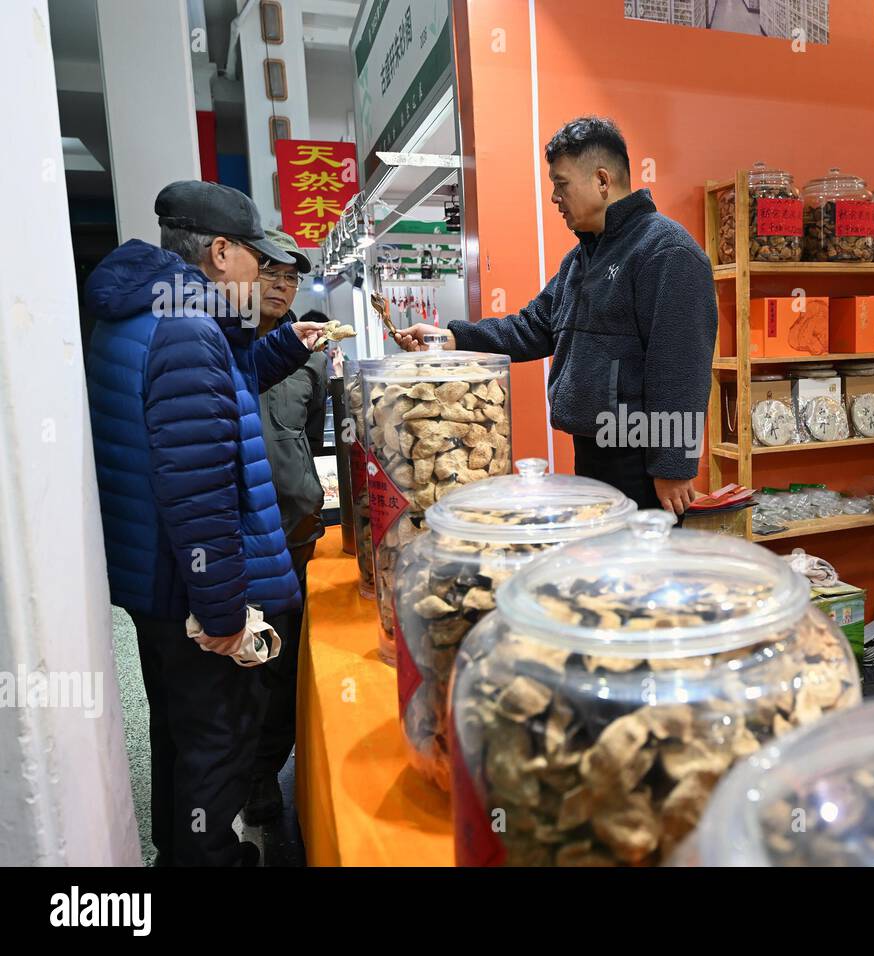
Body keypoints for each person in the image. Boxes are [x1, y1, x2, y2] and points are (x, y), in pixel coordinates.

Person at [84, 181, 326, 866]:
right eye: (258, 258)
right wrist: (222, 613)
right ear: (222, 252)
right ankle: (205, 857)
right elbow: (198, 488)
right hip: (191, 588)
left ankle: (181, 849)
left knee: (181, 732)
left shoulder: (148, 311)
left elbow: (208, 399)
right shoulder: (188, 328)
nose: (265, 275)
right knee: (217, 744)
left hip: (155, 583)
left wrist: (284, 348)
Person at [394, 116, 717, 514]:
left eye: (561, 184)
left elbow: (682, 367)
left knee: (638, 572)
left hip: (641, 461)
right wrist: (450, 338)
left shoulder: (666, 252)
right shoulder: (580, 261)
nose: (554, 198)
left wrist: (673, 466)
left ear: (602, 181)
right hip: (592, 450)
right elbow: (533, 327)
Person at [242, 232, 329, 826]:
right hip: (243, 545)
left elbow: (315, 433)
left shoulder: (309, 357)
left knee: (289, 661)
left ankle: (269, 772)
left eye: (292, 279)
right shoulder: (218, 348)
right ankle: (247, 778)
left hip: (296, 534)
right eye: (271, 273)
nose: (282, 286)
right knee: (248, 668)